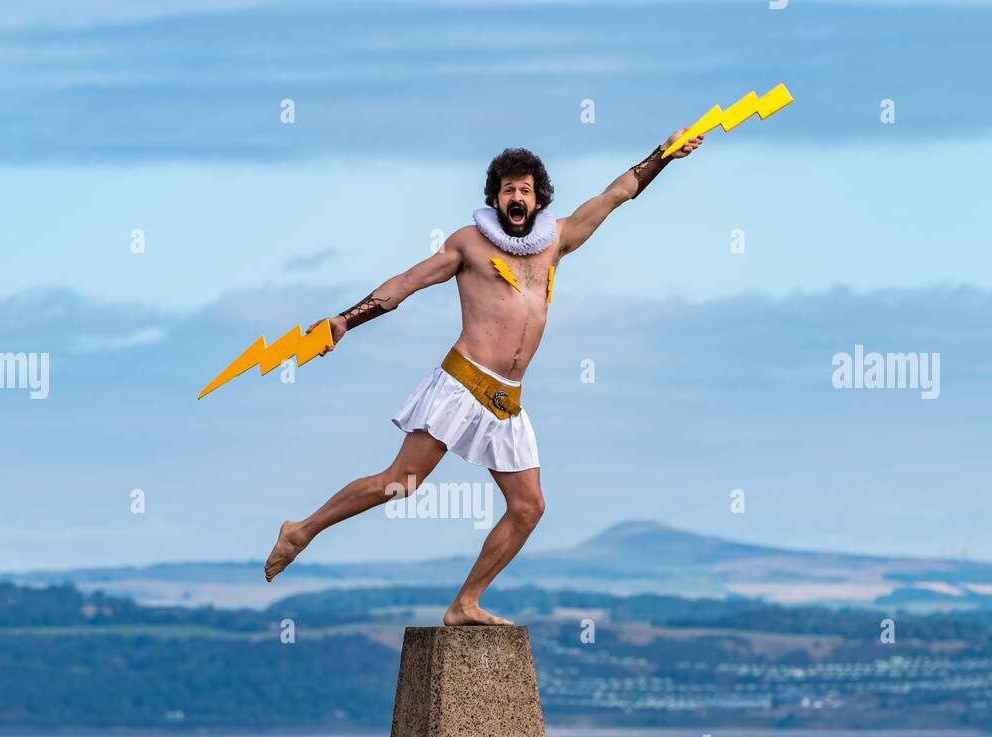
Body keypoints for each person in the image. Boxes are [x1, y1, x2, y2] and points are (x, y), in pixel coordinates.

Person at [265, 128, 703, 625]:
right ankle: (302, 529)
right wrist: (346, 319)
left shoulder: (557, 240)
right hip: (460, 383)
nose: (517, 196)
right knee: (402, 482)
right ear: (495, 198)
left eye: (526, 189)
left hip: (506, 401)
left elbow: (617, 193)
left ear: (538, 199)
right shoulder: (468, 245)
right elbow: (407, 282)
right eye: (508, 189)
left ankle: (464, 604)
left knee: (528, 508)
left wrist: (666, 154)